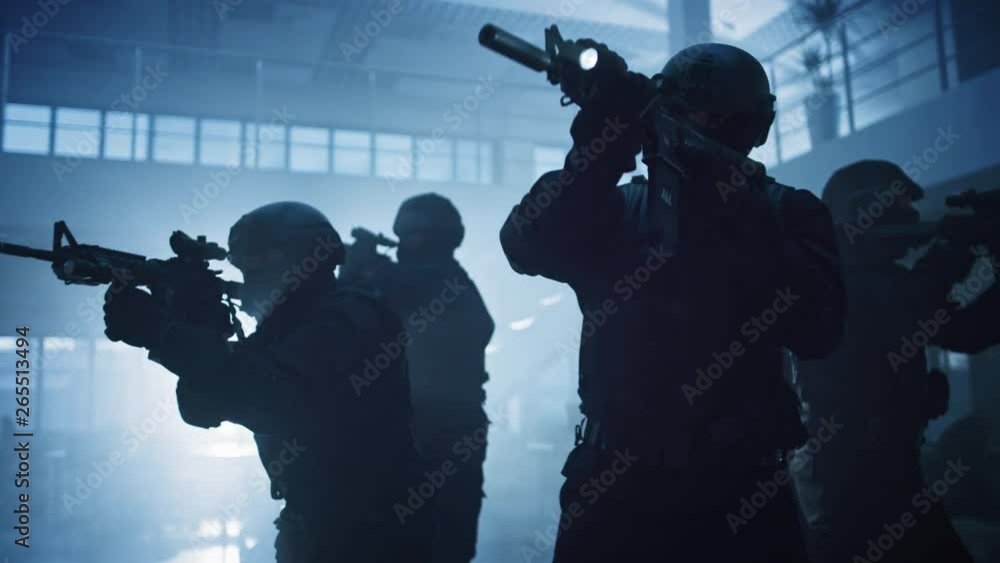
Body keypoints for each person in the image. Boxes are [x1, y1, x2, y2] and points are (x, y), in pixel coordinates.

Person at [499, 40, 846, 562]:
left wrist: (717, 195)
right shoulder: (619, 208)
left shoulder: (782, 212)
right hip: (619, 486)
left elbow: (820, 329)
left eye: (707, 119)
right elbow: (527, 244)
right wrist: (601, 147)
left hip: (740, 492)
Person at [102, 201, 433, 563]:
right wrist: (195, 325)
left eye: (258, 267)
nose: (248, 282)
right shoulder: (287, 329)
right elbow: (202, 405)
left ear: (298, 263)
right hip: (317, 525)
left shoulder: (346, 319)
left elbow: (277, 401)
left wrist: (167, 334)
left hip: (371, 535)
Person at [794, 160, 1000, 563]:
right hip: (863, 479)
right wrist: (948, 257)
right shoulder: (846, 285)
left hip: (885, 471)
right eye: (900, 205)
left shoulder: (875, 281)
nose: (911, 215)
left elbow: (968, 332)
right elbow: (908, 302)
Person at [341, 193, 494, 563]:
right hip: (447, 435)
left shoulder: (430, 282)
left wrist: (359, 268)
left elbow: (357, 308)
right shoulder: (454, 283)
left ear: (420, 237)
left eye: (407, 236)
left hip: (423, 436)